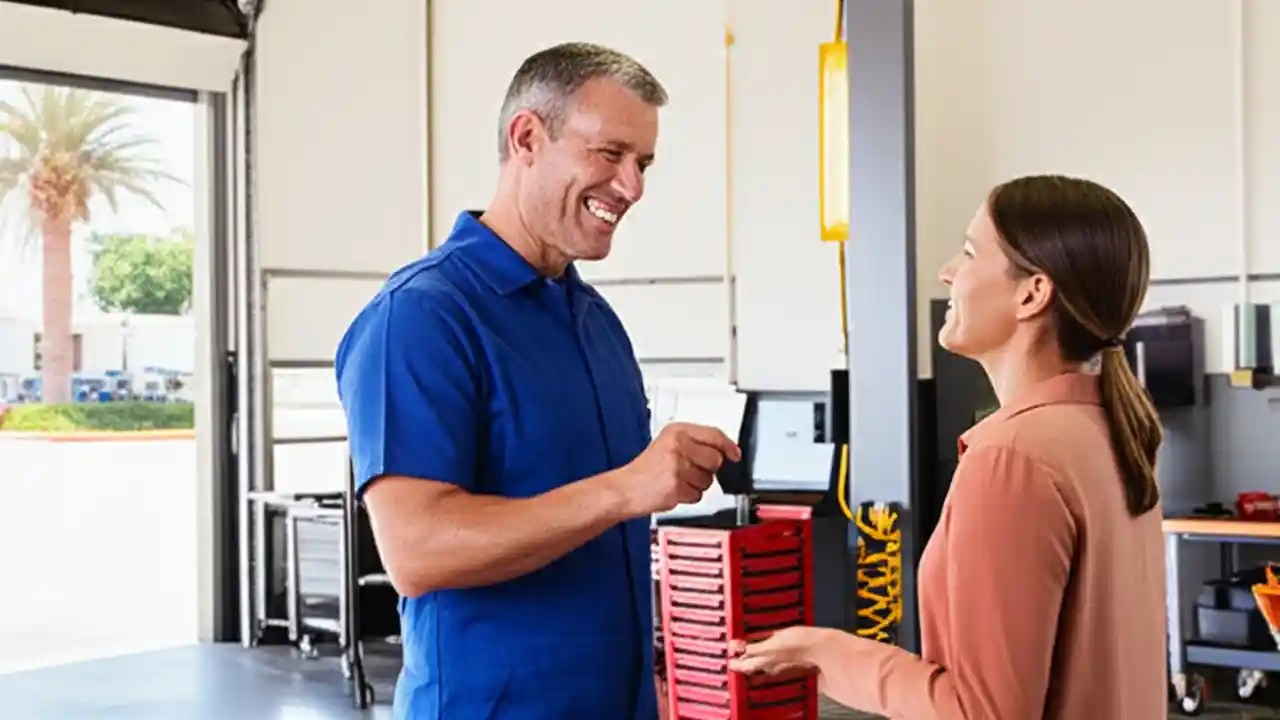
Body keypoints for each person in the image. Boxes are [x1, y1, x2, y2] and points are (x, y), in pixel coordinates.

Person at [334, 42, 739, 720]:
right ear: (527, 137)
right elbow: (417, 548)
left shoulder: (596, 322)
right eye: (609, 154)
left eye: (643, 163)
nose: (632, 187)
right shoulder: (422, 316)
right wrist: (625, 488)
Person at [729, 175, 1168, 718]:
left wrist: (829, 652)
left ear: (1032, 293)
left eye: (967, 252)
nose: (948, 272)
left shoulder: (1013, 459)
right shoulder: (1108, 434)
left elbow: (982, 713)